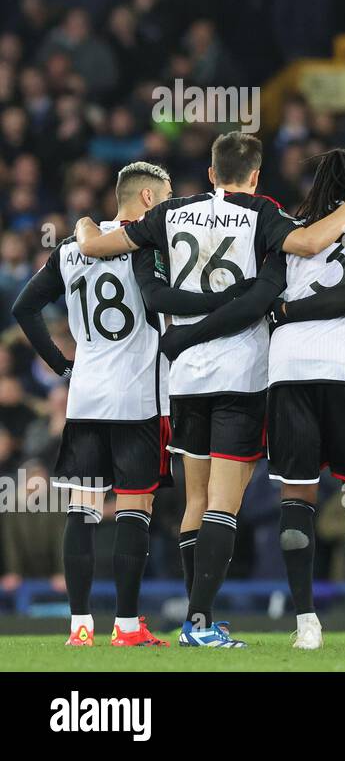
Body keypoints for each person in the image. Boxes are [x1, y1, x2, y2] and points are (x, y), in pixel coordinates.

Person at [74, 134, 345, 647]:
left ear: (212, 173)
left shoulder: (173, 212)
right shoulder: (262, 212)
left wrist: (85, 225)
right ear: (255, 175)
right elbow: (309, 243)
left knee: (196, 500)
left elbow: (97, 244)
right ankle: (198, 625)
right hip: (241, 372)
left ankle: (201, 619)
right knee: (224, 504)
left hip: (187, 378)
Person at [12, 162, 239, 647]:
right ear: (150, 200)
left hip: (86, 395)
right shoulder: (152, 248)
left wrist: (61, 366)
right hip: (138, 398)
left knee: (82, 509)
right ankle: (129, 626)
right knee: (136, 510)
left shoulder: (72, 249)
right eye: (170, 195)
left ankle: (78, 626)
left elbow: (24, 308)